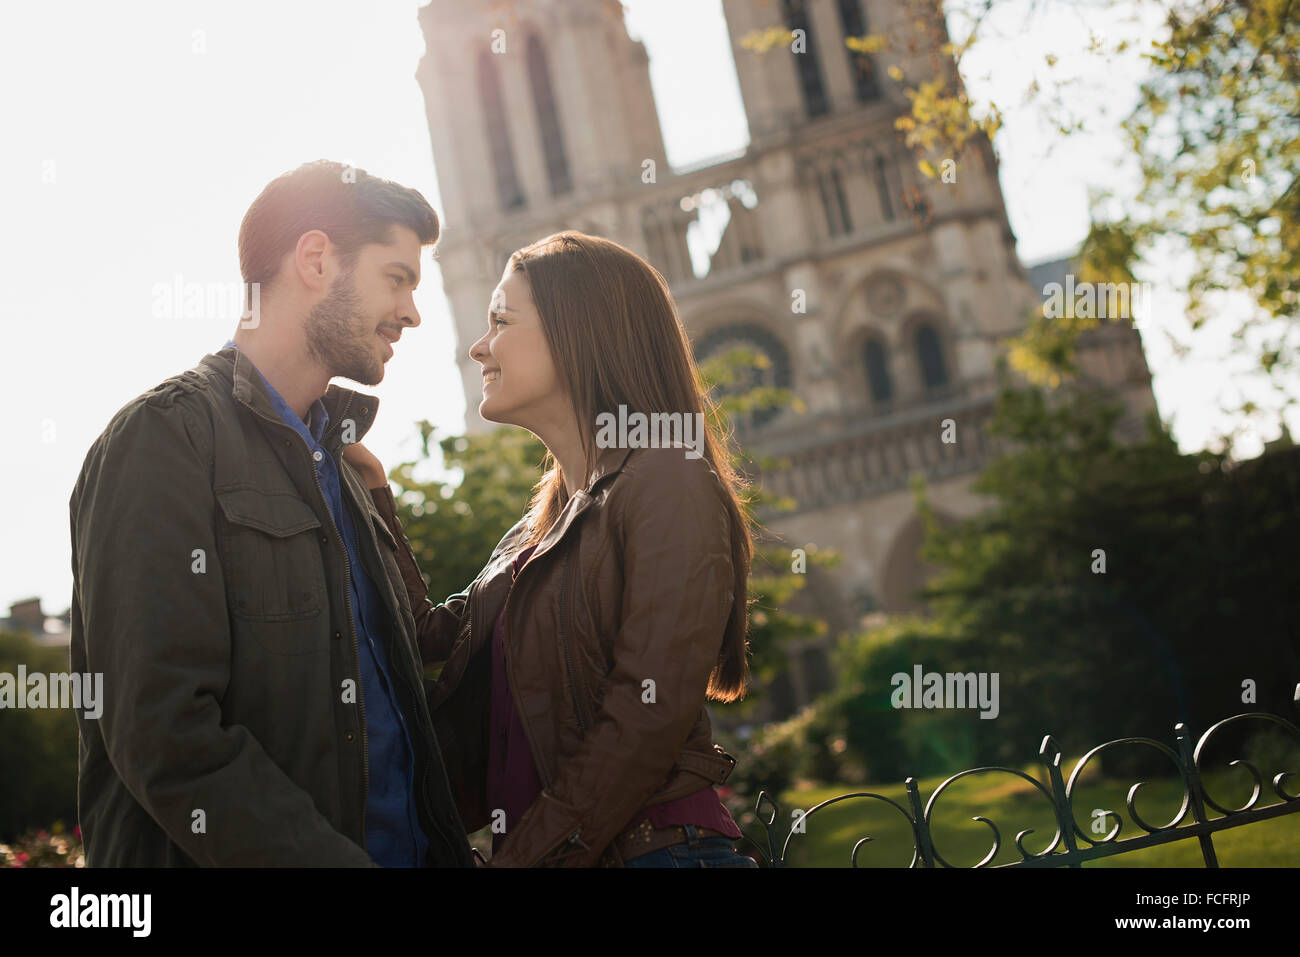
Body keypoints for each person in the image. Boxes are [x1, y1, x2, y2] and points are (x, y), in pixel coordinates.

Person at [68, 160, 473, 867]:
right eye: (398, 277)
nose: (411, 310)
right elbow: (165, 734)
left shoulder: (344, 471)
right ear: (315, 259)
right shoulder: (164, 438)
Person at [344, 230, 760, 867]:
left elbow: (643, 722)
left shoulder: (667, 481)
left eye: (502, 321)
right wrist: (374, 493)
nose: (479, 346)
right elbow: (433, 638)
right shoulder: (546, 521)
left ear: (578, 332)